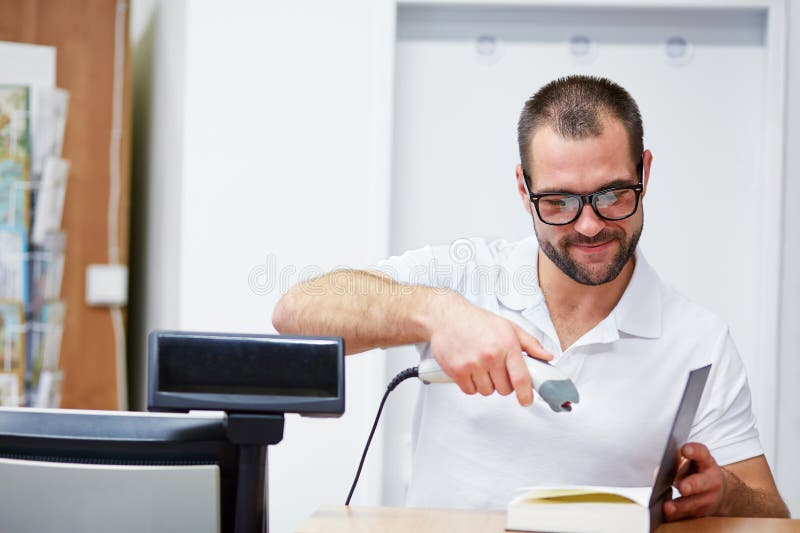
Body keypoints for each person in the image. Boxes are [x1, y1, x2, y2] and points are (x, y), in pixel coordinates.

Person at [272, 75, 789, 519]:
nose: (589, 225)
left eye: (612, 195)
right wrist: (437, 313)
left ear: (645, 173)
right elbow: (295, 311)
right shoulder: (466, 275)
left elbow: (772, 510)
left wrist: (725, 494)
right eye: (559, 201)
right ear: (524, 190)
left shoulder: (698, 339)